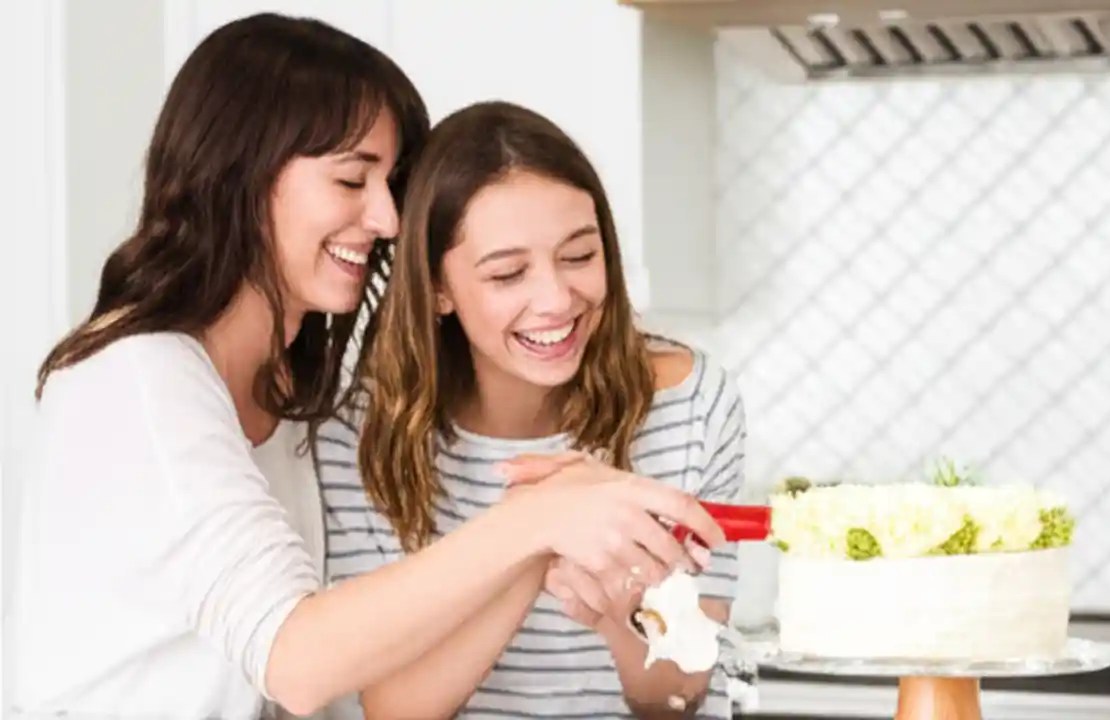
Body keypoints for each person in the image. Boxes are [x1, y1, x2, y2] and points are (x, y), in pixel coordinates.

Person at [11, 15, 723, 720]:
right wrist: (534, 523)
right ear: (241, 179)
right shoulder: (142, 380)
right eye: (352, 180)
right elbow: (295, 659)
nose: (387, 220)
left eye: (391, 184)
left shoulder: (289, 394)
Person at [316, 100, 748, 719]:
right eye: (507, 274)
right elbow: (396, 709)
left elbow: (677, 700)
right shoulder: (363, 428)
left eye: (578, 256)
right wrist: (538, 528)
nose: (555, 299)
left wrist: (622, 597)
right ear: (438, 287)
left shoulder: (691, 405)